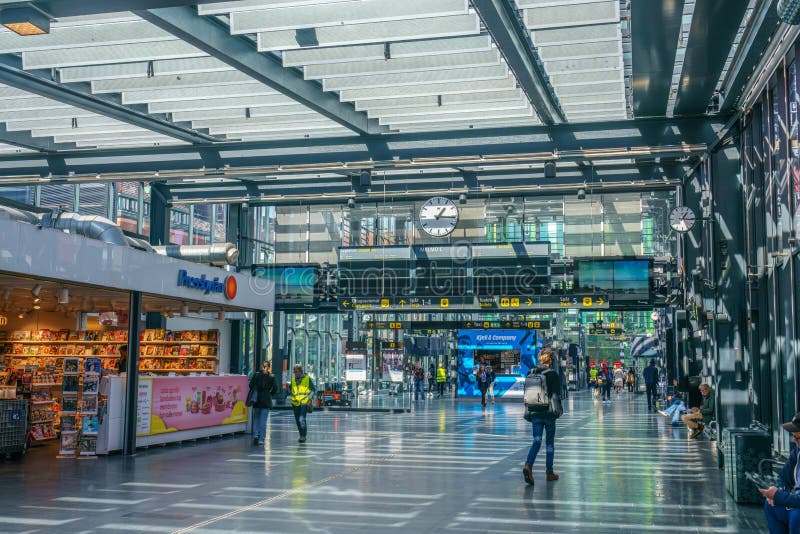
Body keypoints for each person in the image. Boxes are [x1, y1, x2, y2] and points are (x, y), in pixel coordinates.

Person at [522, 347, 561, 486]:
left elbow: (526, 393)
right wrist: (559, 410)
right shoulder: (553, 374)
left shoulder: (530, 372)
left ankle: (528, 465)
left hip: (534, 411)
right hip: (549, 412)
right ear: (550, 360)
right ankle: (549, 472)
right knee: (549, 443)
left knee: (536, 440)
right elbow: (556, 394)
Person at [761, 412, 800, 533]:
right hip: (795, 500)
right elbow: (784, 477)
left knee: (797, 516)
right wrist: (779, 491)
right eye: (793, 436)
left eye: (798, 437)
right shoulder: (797, 452)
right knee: (771, 506)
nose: (794, 440)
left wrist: (779, 496)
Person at [249, 361, 278, 445]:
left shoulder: (256, 375)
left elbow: (251, 385)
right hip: (266, 399)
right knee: (263, 421)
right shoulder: (271, 377)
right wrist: (269, 394)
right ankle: (261, 439)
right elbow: (275, 388)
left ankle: (255, 434)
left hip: (257, 399)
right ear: (269, 367)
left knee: (257, 418)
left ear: (262, 367)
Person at [290, 364, 315, 443]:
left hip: (304, 402)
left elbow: (313, 390)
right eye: (294, 372)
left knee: (301, 419)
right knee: (298, 420)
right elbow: (291, 390)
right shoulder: (293, 380)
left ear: (301, 371)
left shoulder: (307, 378)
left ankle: (303, 435)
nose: (296, 373)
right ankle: (301, 435)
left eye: (297, 371)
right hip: (295, 403)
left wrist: (310, 399)